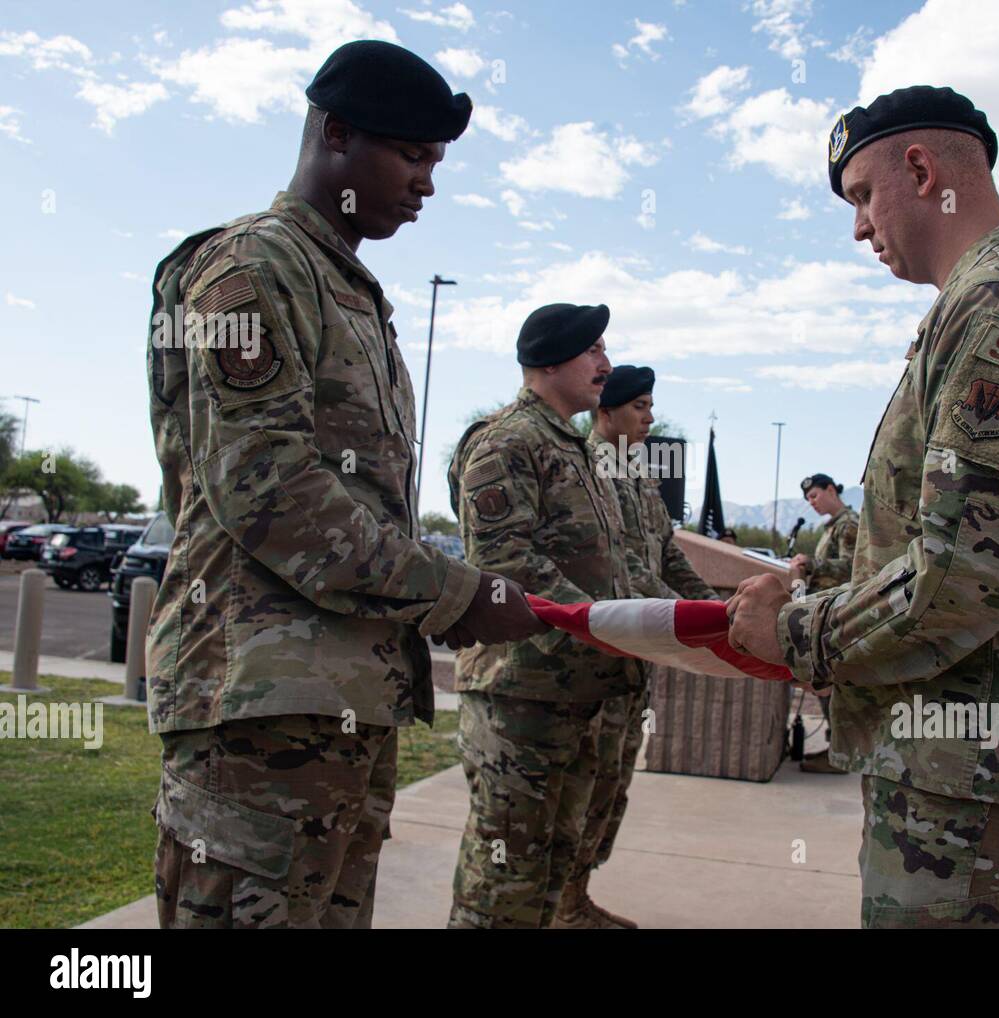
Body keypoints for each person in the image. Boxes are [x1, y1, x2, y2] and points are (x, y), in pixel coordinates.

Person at [726, 85, 999, 928]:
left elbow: (965, 570)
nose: (858, 229)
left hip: (987, 774)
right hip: (979, 762)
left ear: (920, 169)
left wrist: (795, 632)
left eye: (860, 196)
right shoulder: (988, 305)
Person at [145, 40, 543, 929]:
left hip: (340, 703)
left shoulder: (346, 288)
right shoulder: (253, 269)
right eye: (411, 155)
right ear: (335, 133)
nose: (427, 184)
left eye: (433, 162)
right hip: (255, 703)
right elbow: (268, 487)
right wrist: (452, 593)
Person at [446, 303, 641, 929]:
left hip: (574, 693)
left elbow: (608, 565)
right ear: (551, 360)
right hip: (519, 693)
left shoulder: (574, 448)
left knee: (556, 866)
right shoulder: (507, 440)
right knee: (506, 875)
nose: (606, 365)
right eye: (593, 350)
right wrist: (602, 627)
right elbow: (505, 557)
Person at [555, 365, 718, 928]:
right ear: (606, 412)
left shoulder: (638, 473)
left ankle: (575, 896)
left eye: (650, 407)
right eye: (639, 407)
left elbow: (666, 556)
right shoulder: (587, 469)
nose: (650, 418)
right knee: (586, 781)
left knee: (612, 783)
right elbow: (619, 567)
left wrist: (712, 612)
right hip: (601, 653)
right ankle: (559, 903)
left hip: (636, 652)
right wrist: (682, 617)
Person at [789, 473, 860, 774]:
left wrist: (812, 564)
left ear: (831, 490)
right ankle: (837, 748)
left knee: (827, 682)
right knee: (822, 681)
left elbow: (853, 567)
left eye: (815, 496)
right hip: (825, 612)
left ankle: (840, 752)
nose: (812, 503)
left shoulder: (849, 525)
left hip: (838, 613)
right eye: (808, 500)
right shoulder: (832, 526)